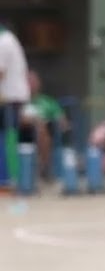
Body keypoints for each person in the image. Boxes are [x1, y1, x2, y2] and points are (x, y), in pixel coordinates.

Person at [18, 72, 69, 179]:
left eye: (34, 81)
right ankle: (43, 168)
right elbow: (21, 120)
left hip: (47, 132)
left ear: (39, 84)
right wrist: (35, 121)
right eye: (29, 82)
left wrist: (60, 121)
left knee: (43, 131)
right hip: (25, 133)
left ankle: (45, 168)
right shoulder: (20, 102)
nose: (32, 84)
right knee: (40, 128)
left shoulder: (47, 101)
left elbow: (62, 119)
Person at [0, 23, 30, 190]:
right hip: (12, 97)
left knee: (7, 139)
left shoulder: (4, 42)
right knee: (8, 137)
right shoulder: (10, 39)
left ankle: (9, 180)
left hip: (10, 99)